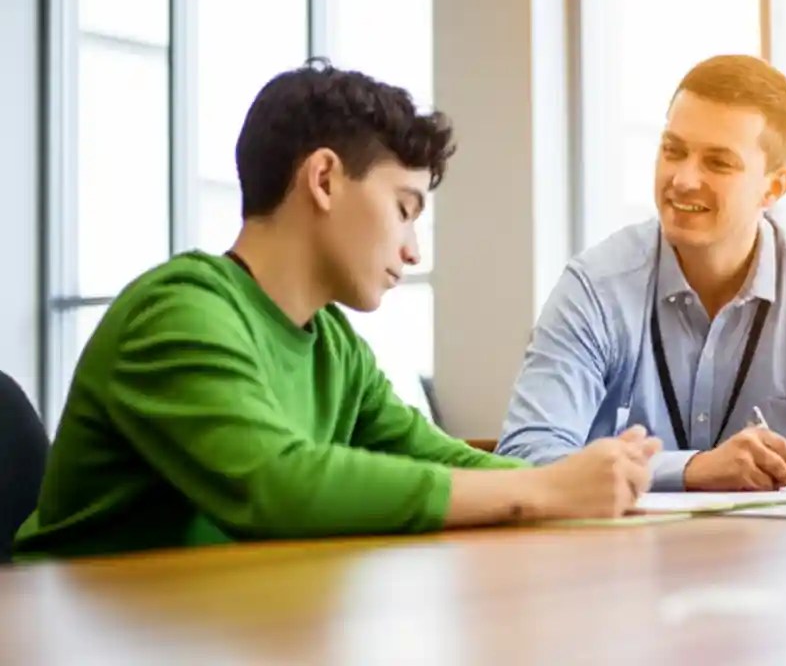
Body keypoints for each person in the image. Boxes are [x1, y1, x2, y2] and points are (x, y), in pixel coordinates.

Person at [13, 60, 660, 560]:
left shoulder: (331, 343)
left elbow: (432, 456)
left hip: (211, 621)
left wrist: (586, 484)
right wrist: (543, 492)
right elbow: (278, 485)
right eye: (404, 208)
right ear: (323, 179)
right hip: (75, 629)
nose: (412, 251)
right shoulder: (179, 313)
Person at [496, 54, 786, 492]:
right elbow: (527, 454)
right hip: (610, 559)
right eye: (673, 151)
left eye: (718, 162)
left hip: (762, 558)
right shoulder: (596, 286)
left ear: (774, 187)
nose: (683, 179)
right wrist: (693, 469)